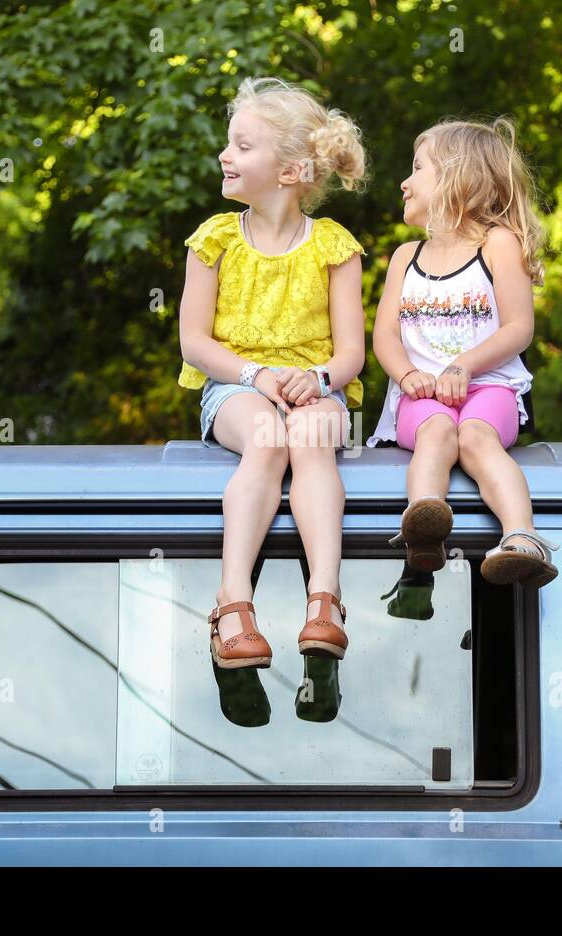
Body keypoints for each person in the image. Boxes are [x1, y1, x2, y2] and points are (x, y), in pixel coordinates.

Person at [177, 76, 369, 667]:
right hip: (235, 385)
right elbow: (193, 343)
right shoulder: (215, 240)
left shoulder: (334, 247)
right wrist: (257, 373)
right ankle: (234, 600)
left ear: (289, 172)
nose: (224, 155)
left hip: (318, 390)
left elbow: (351, 355)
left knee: (310, 439)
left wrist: (317, 381)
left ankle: (324, 600)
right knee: (267, 439)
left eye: (241, 145)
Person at [367, 117, 559, 587]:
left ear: (457, 178)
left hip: (488, 388)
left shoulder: (498, 245)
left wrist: (465, 365)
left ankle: (522, 536)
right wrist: (407, 375)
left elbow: (519, 328)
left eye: (417, 169)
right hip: (423, 397)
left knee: (475, 437)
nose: (404, 182)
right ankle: (424, 526)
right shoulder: (403, 258)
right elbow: (385, 336)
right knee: (434, 431)